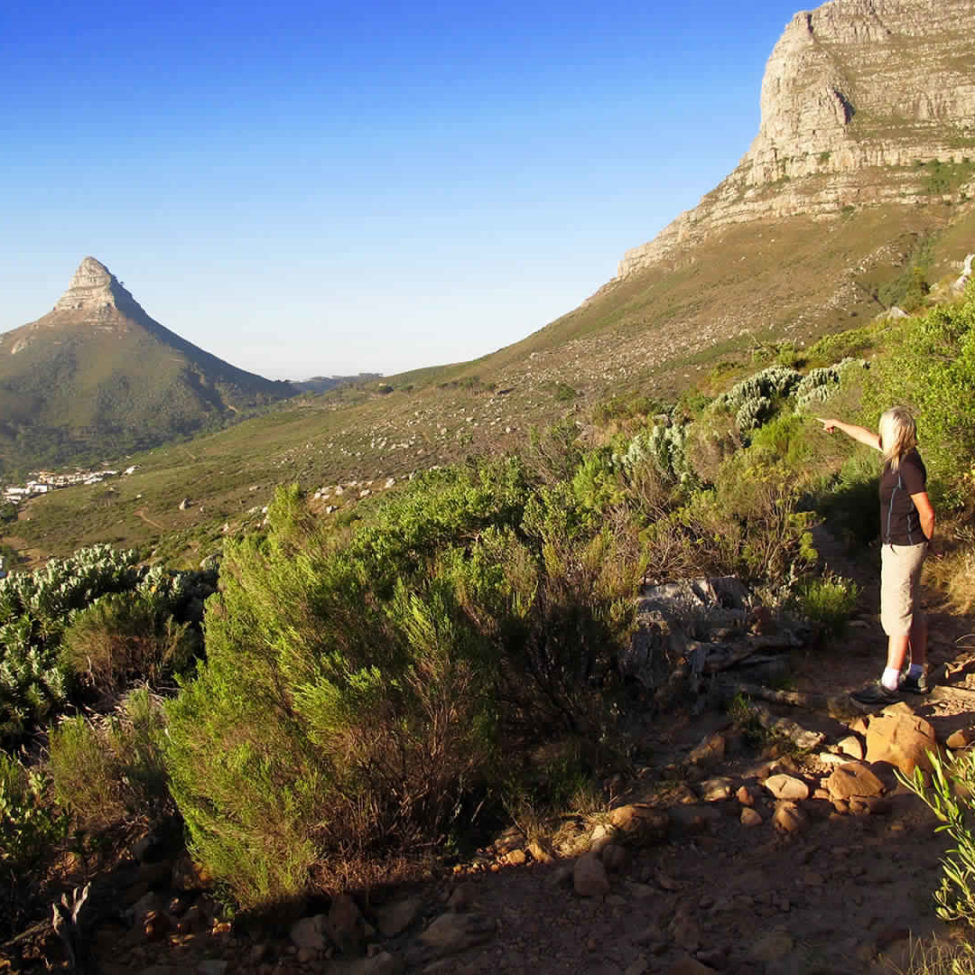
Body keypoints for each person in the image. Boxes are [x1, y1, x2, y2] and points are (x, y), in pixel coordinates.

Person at [817, 407, 935, 705]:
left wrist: (923, 544)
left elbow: (927, 513)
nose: (880, 433)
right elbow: (865, 436)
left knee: (897, 614)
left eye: (884, 428)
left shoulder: (907, 466)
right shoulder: (897, 454)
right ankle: (917, 674)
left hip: (904, 547)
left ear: (896, 432)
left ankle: (889, 683)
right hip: (904, 546)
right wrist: (838, 422)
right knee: (911, 608)